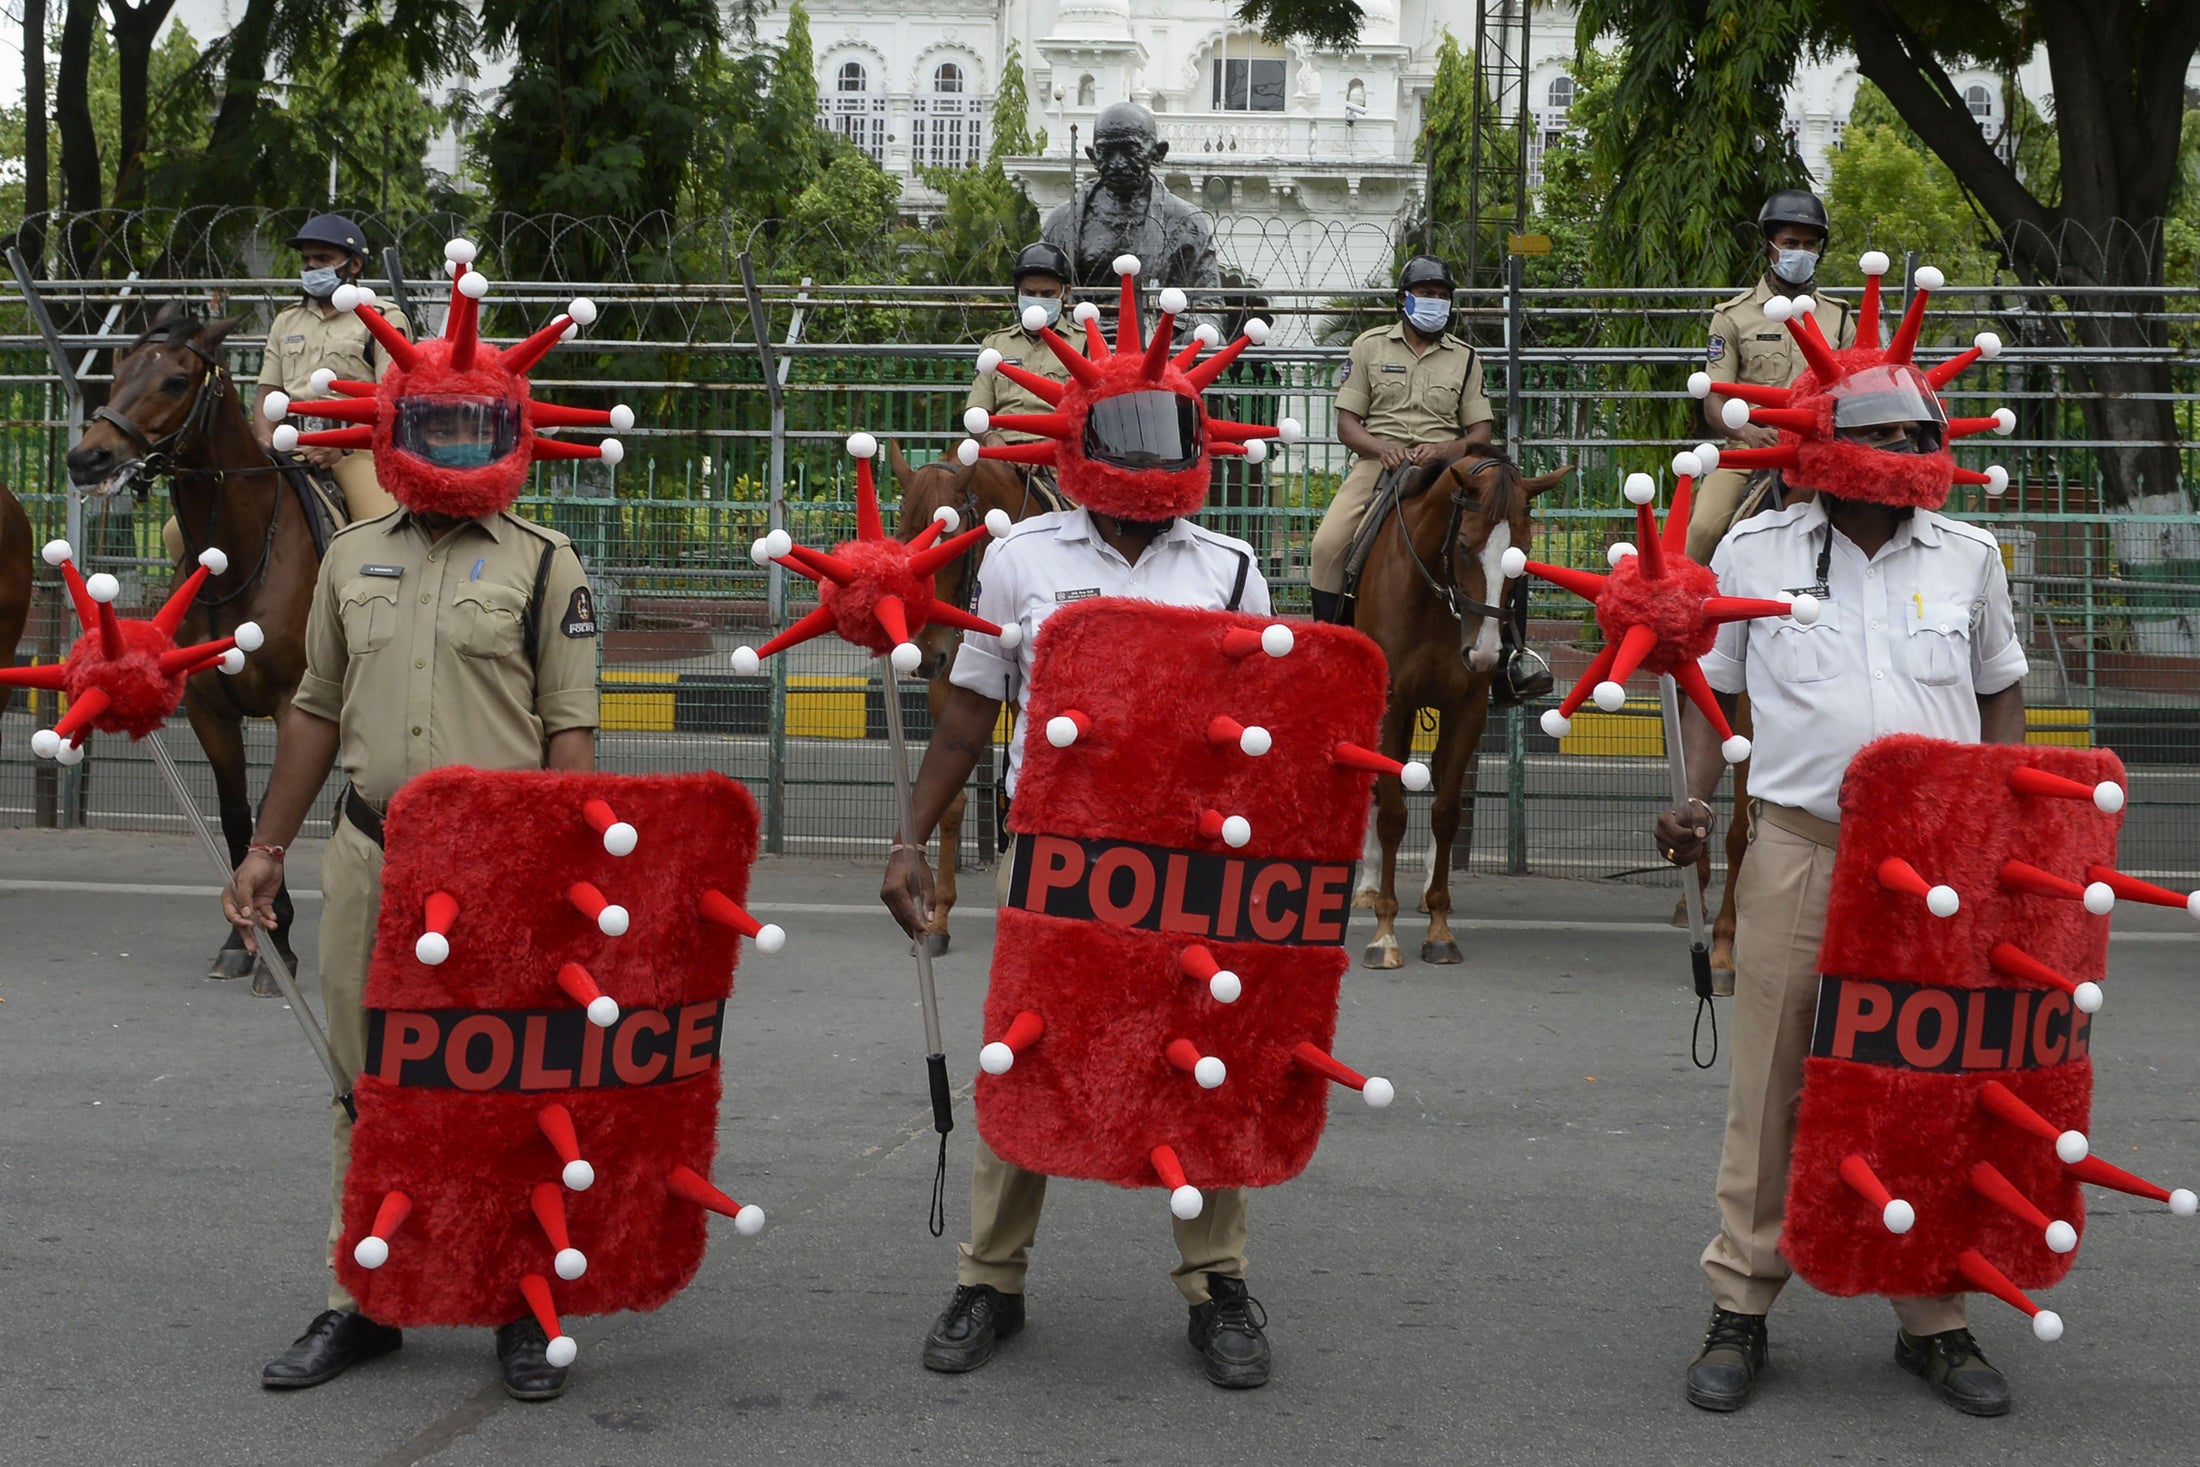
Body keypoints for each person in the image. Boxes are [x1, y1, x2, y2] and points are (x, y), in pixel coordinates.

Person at [222, 327, 601, 1405]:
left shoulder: (543, 564)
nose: (448, 441)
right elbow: (313, 711)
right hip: (370, 854)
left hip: (504, 871)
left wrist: (567, 887)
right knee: (362, 1085)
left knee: (513, 1086)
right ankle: (365, 1298)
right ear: (394, 430)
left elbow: (569, 740)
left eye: (467, 423)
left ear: (503, 431)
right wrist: (266, 848)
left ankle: (522, 1302)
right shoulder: (350, 555)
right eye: (429, 421)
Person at [1658, 379, 2029, 1416]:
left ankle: (1933, 1315)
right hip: (1798, 847)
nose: (1904, 445)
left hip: (1937, 867)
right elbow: (1710, 686)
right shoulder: (1753, 553)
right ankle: (1741, 1302)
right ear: (1825, 444)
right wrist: (1689, 798)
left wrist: (2002, 819)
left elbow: (2000, 685)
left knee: (1923, 1077)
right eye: (1880, 432)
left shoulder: (1969, 555)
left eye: (1918, 430)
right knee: (1772, 1081)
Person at [880, 442, 1276, 1391]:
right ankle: (991, 1277)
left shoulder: (1230, 567)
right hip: (1055, 849)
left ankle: (1217, 1282)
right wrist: (907, 838)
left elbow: (1265, 723)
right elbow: (970, 714)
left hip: (1189, 857)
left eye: (1165, 429)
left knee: (1202, 1055)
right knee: (1027, 1047)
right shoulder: (1021, 557)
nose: (1145, 449)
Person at [1689, 190, 1858, 563]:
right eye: (1791, 243)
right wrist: (1747, 432)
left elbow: (1858, 388)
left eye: (1811, 244)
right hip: (1752, 448)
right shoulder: (1733, 315)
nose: (1802, 251)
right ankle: (1684, 610)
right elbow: (1713, 399)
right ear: (1770, 246)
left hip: (1824, 450)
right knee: (1704, 528)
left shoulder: (1840, 316)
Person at [1040, 102, 1221, 340]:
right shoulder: (1063, 221)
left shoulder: (1186, 222)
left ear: (1157, 154)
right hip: (1081, 345)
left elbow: (1210, 307)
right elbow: (1038, 297)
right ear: (1093, 156)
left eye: (1130, 151)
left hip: (1157, 350)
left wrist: (1171, 334)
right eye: (1106, 152)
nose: (1117, 163)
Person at [966, 241, 1088, 497]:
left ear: (1065, 292)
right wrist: (991, 439)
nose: (1038, 300)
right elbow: (977, 411)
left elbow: (1095, 415)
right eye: (1030, 292)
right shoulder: (995, 344)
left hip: (1060, 464)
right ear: (1018, 292)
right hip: (1000, 463)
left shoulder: (1084, 343)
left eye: (1047, 294)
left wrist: (1046, 449)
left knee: (1084, 527)